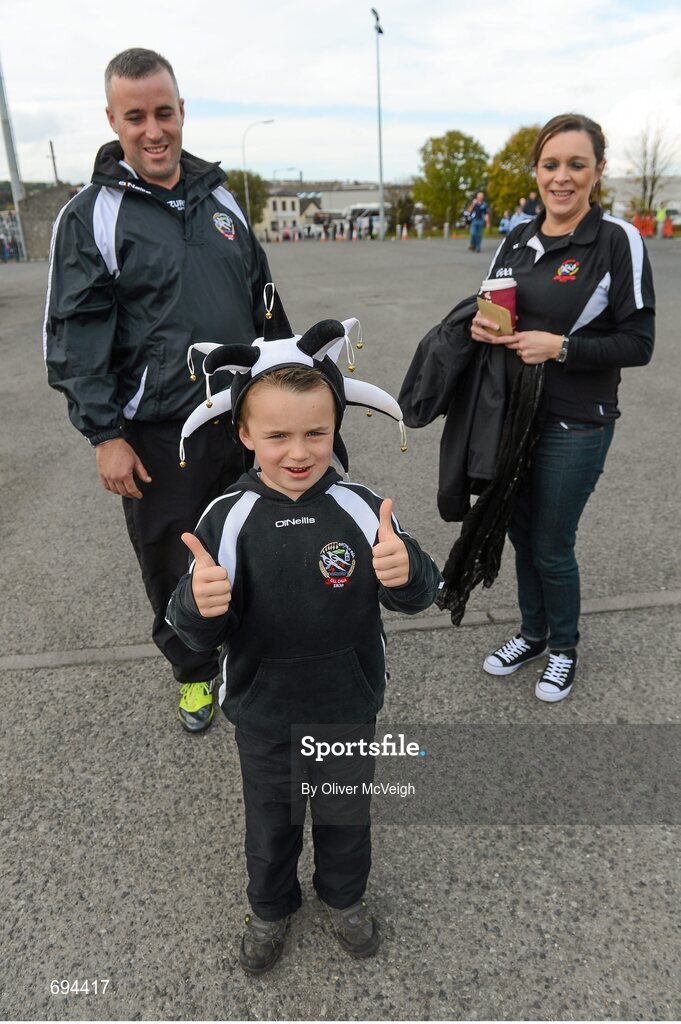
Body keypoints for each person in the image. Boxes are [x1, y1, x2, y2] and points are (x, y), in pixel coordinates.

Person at [167, 290, 442, 972]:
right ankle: (270, 909)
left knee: (346, 819)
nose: (298, 452)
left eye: (315, 433)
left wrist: (406, 570)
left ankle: (344, 898)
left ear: (336, 427)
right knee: (271, 824)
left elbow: (420, 594)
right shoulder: (225, 517)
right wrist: (198, 605)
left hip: (347, 704)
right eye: (277, 435)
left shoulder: (361, 507)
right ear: (243, 434)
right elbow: (192, 634)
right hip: (263, 713)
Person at [44, 48, 271, 732]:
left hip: (243, 419)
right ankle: (194, 674)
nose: (153, 130)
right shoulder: (91, 215)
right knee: (176, 561)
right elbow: (75, 332)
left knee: (254, 545)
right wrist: (105, 435)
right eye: (135, 116)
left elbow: (263, 302)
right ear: (112, 120)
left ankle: (250, 653)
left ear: (181, 111)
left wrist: (294, 393)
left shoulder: (223, 199)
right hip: (160, 433)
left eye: (163, 113)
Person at [466, 112, 655, 702]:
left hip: (578, 419)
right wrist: (484, 326)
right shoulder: (517, 235)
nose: (563, 177)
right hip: (514, 414)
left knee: (551, 540)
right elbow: (494, 306)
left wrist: (564, 347)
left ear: (598, 171)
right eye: (551, 165)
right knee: (520, 532)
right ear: (537, 171)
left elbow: (639, 343)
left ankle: (564, 647)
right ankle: (531, 631)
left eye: (577, 164)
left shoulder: (617, 239)